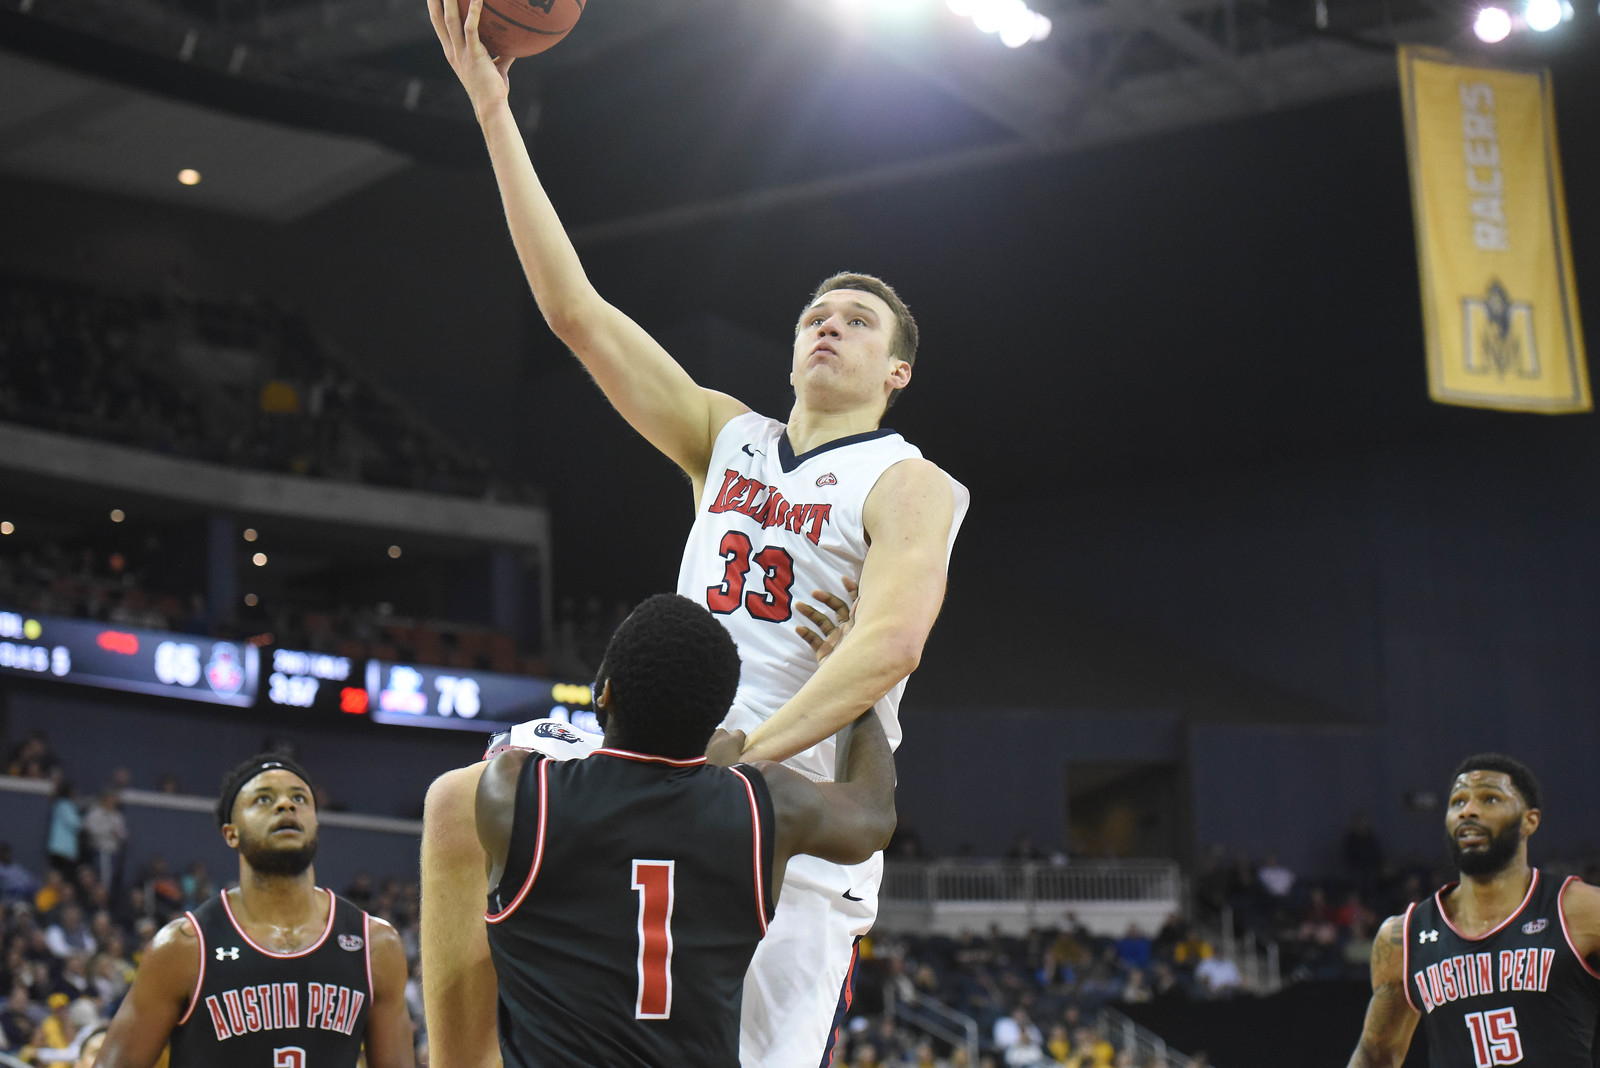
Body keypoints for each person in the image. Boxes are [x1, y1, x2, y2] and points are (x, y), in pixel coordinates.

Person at [422, 4, 969, 1064]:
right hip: (662, 752)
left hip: (790, 798)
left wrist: (744, 756)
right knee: (459, 806)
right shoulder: (725, 433)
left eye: (858, 321)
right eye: (819, 310)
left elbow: (890, 645)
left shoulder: (911, 484)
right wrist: (494, 109)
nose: (829, 322)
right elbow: (575, 312)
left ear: (896, 373)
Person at [470, 593, 896, 1066]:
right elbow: (874, 817)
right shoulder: (764, 803)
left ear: (604, 691)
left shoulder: (514, 792)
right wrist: (855, 687)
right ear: (717, 720)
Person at [91, 754, 414, 1067]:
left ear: (315, 823)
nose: (286, 805)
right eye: (263, 799)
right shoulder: (183, 947)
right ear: (231, 833)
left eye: (300, 799)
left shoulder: (375, 944)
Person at [1346, 753, 1600, 1067]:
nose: (1469, 811)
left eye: (1490, 799)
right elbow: (1376, 1056)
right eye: (1458, 802)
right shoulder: (1403, 937)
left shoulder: (1582, 909)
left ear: (1529, 820)